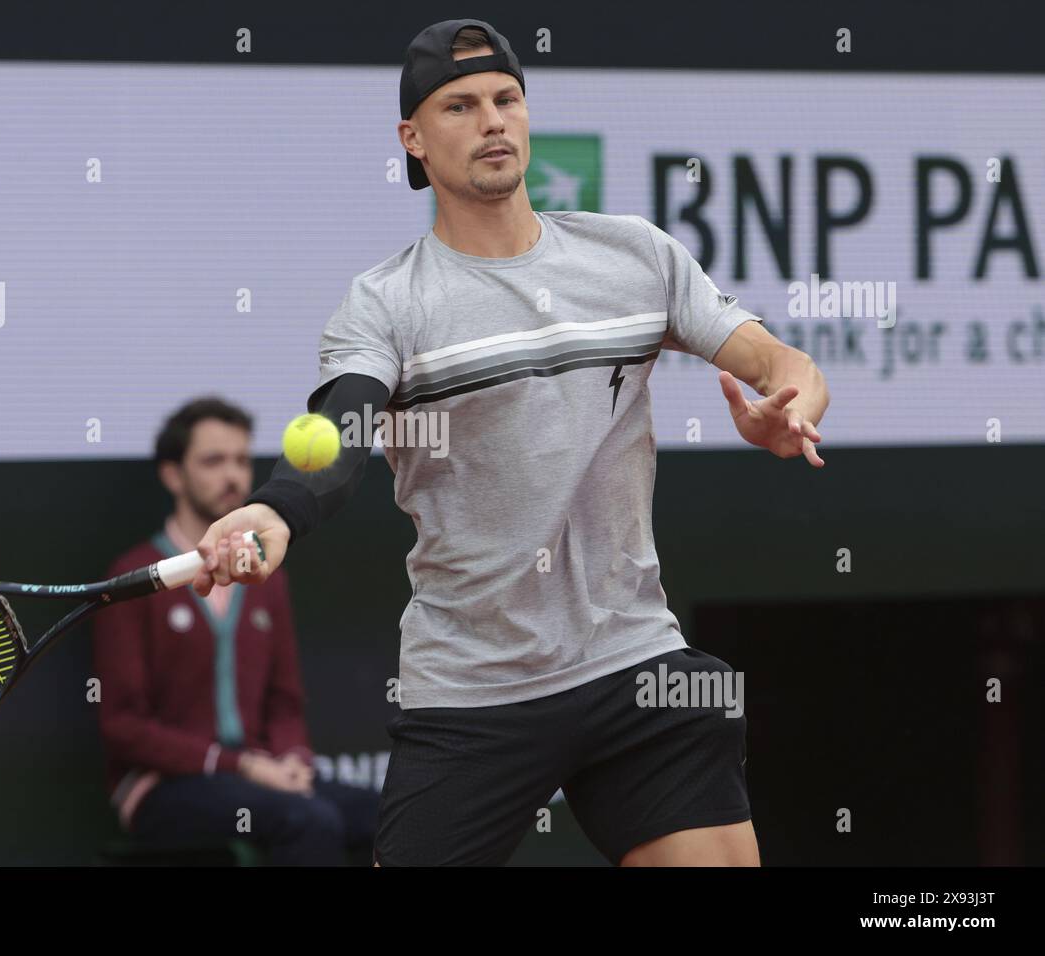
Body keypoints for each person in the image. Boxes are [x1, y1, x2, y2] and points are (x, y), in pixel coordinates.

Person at [194, 19, 830, 866]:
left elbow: (781, 361)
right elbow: (339, 431)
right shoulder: (384, 304)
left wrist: (792, 402)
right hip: (472, 689)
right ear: (412, 141)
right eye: (460, 106)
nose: (492, 120)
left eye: (506, 99)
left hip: (632, 659)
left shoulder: (634, 256)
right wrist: (276, 511)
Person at [93, 397, 379, 865]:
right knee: (308, 821)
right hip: (162, 789)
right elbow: (124, 726)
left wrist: (291, 759)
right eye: (213, 460)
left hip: (262, 774)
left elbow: (285, 702)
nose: (233, 476)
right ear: (172, 474)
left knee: (385, 818)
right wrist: (239, 764)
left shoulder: (268, 577)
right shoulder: (132, 575)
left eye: (243, 461)